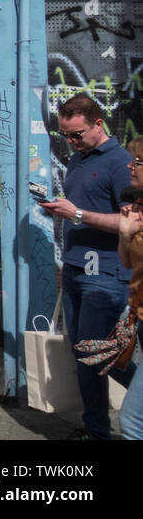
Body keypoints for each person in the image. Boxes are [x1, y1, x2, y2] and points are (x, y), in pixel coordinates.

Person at [38, 93, 135, 439]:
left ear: (98, 124)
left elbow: (132, 224)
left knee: (97, 354)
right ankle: (96, 429)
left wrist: (76, 213)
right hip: (77, 271)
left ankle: (134, 394)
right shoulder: (80, 158)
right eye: (65, 135)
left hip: (106, 276)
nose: (71, 142)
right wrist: (69, 261)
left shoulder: (121, 163)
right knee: (84, 354)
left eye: (77, 134)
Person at [117, 176, 143, 440]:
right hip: (137, 310)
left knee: (133, 422)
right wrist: (126, 234)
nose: (129, 165)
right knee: (110, 357)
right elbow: (127, 263)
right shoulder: (136, 208)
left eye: (136, 160)